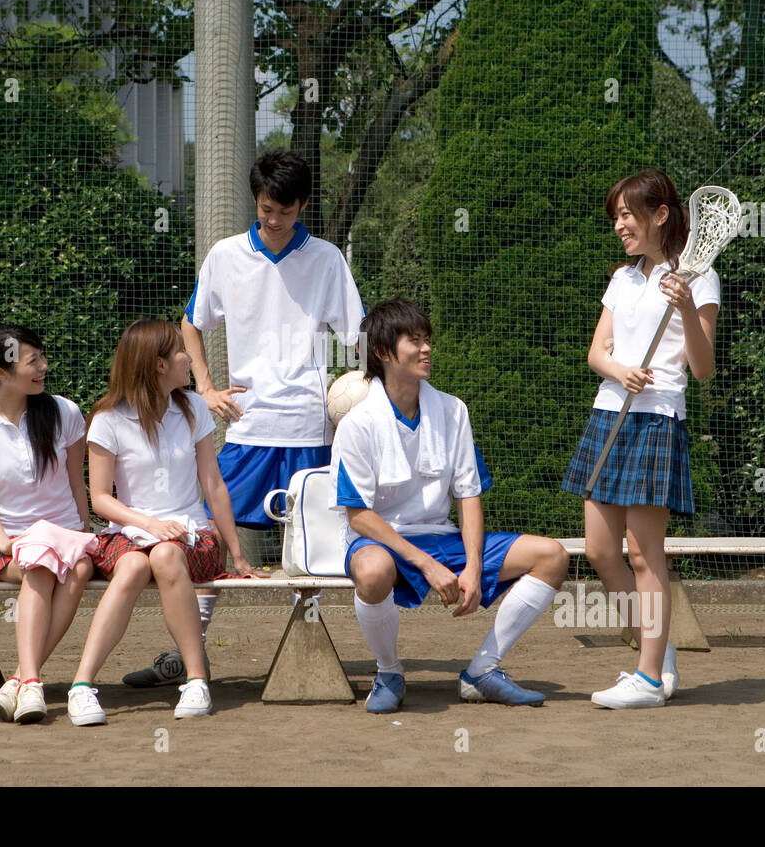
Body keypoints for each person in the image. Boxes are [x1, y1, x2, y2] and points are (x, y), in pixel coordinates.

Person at [122, 148, 365, 687]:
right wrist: (204, 387)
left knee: (314, 548)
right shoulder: (226, 255)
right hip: (248, 426)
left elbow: (358, 335)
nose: (272, 220)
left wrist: (360, 389)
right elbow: (191, 323)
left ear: (302, 205)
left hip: (309, 428)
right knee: (204, 537)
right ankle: (187, 658)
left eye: (283, 210)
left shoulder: (327, 259)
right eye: (263, 210)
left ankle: (308, 659)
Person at [332, 298, 568, 713]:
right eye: (414, 341)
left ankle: (482, 671)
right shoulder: (357, 423)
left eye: (427, 340)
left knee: (552, 555)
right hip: (382, 542)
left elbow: (469, 496)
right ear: (384, 353)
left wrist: (473, 567)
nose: (426, 349)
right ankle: (388, 672)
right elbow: (359, 515)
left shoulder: (453, 410)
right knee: (372, 571)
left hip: (444, 539)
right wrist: (426, 563)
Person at [561, 167, 720, 709]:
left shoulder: (697, 277)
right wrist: (618, 369)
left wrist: (684, 310)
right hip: (610, 414)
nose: (620, 225)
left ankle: (648, 677)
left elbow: (702, 369)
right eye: (616, 217)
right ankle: (658, 648)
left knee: (644, 554)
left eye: (627, 214)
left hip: (657, 419)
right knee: (600, 550)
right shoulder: (623, 278)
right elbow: (596, 351)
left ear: (660, 215)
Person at [66, 319, 250, 724]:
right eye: (180, 351)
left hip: (191, 538)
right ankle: (81, 686)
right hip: (129, 536)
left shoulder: (194, 408)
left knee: (166, 555)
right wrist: (149, 524)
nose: (189, 357)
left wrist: (237, 555)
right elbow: (100, 500)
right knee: (132, 564)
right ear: (158, 365)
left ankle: (196, 679)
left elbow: (213, 484)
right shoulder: (108, 419)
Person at [0, 325, 94, 724]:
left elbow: (75, 481)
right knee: (41, 564)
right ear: (1, 372)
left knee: (78, 566)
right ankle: (30, 680)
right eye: (34, 362)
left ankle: (21, 681)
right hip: (4, 544)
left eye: (42, 358)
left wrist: (83, 530)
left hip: (65, 535)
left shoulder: (65, 412)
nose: (44, 367)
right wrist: (7, 544)